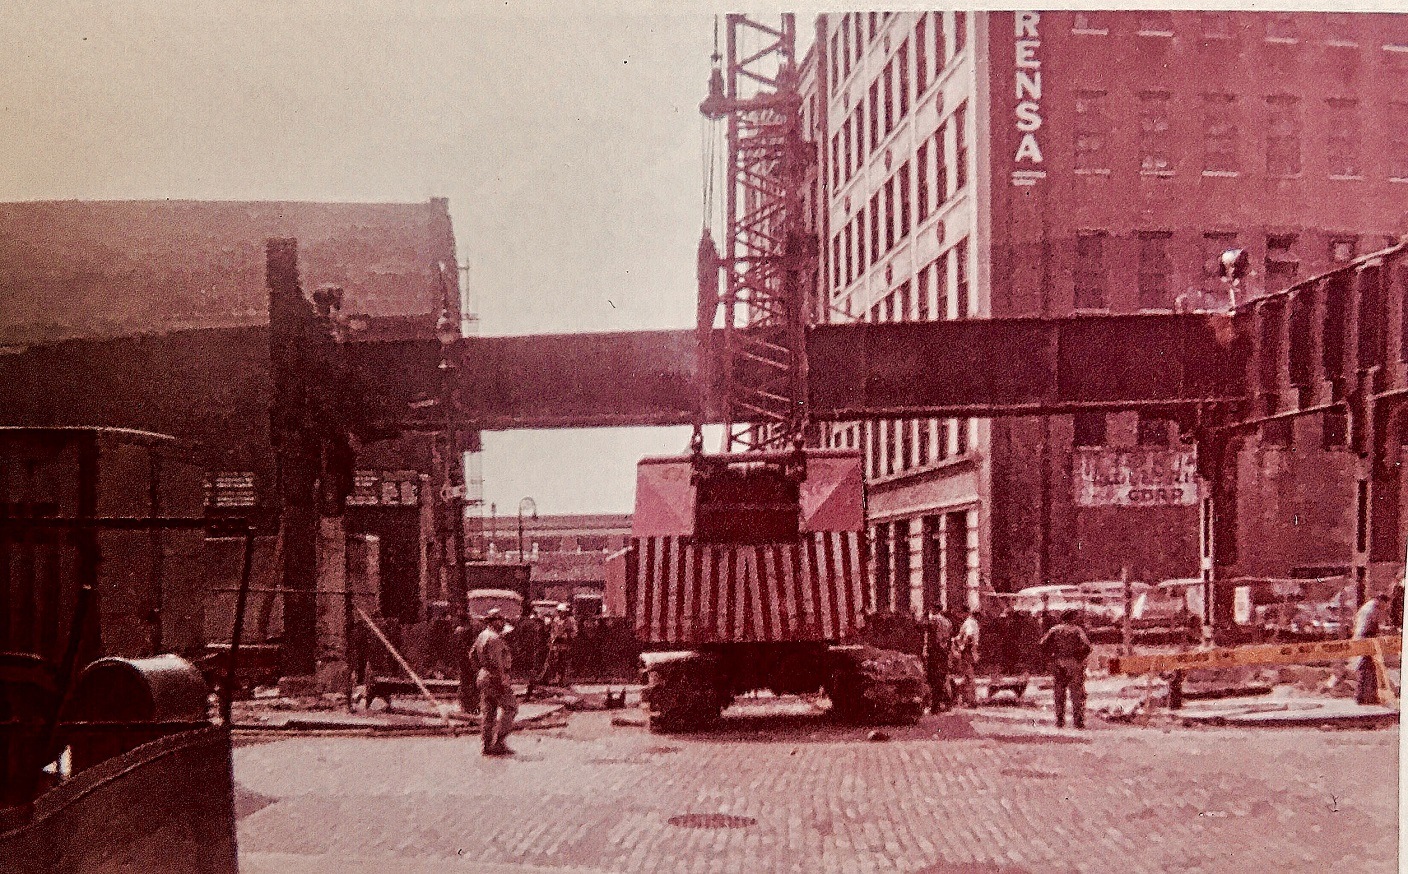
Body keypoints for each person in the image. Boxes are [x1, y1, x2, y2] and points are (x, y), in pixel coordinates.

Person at [472, 609, 519, 755]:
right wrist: (502, 678)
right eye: (500, 620)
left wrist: (480, 670)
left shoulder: (482, 636)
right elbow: (498, 662)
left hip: (484, 675)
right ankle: (499, 741)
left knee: (489, 711)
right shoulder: (494, 639)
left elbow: (472, 654)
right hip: (495, 677)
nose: (502, 622)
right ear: (493, 621)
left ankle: (487, 745)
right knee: (511, 708)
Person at [1040, 610, 1093, 729]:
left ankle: (1060, 720)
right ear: (1072, 618)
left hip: (1058, 663)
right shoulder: (1077, 630)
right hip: (1074, 663)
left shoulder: (1054, 630)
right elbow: (1088, 647)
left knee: (1059, 692)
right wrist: (1079, 659)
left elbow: (1042, 644)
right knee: (1076, 693)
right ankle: (1078, 721)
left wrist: (1050, 658)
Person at [1352, 592, 1391, 706]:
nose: (1385, 608)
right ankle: (1365, 696)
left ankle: (1366, 696)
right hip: (1366, 639)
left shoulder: (1369, 606)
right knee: (1367, 668)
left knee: (1369, 668)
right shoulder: (1372, 608)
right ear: (1381, 601)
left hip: (1363, 638)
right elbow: (1372, 626)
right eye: (1385, 604)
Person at [538, 604, 578, 688]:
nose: (561, 614)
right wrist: (552, 637)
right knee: (551, 661)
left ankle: (563, 681)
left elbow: (574, 633)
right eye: (559, 612)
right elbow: (552, 631)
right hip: (555, 644)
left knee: (564, 663)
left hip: (565, 644)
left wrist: (566, 636)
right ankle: (548, 679)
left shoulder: (571, 620)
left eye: (562, 612)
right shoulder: (556, 620)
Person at [922, 610, 953, 712]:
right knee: (943, 677)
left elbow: (925, 629)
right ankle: (945, 702)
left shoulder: (934, 620)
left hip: (934, 652)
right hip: (944, 651)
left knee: (933, 678)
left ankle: (935, 705)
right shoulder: (947, 622)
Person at [954, 609, 981, 707]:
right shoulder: (972, 622)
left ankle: (970, 700)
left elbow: (968, 636)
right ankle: (967, 699)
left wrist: (961, 647)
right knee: (967, 676)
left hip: (967, 652)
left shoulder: (969, 622)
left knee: (968, 676)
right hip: (970, 651)